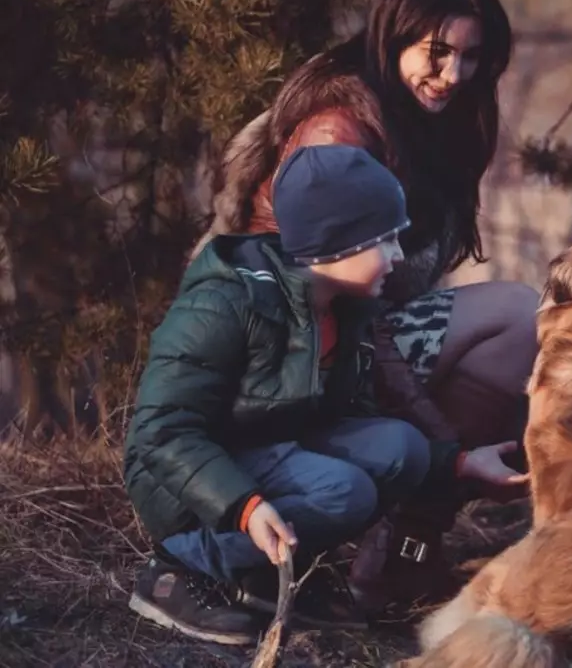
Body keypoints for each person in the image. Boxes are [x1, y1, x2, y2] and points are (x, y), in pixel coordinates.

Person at [190, 0, 538, 607]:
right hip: (286, 359)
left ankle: (403, 553)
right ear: (393, 33)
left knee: (525, 327)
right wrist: (446, 455)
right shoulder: (337, 131)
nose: (452, 74)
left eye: (469, 57)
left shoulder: (427, 119)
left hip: (351, 339)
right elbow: (332, 315)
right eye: (436, 51)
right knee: (519, 317)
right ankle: (394, 538)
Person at [124, 145, 527, 646]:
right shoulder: (225, 304)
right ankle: (177, 570)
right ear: (333, 246)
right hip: (185, 487)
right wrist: (244, 507)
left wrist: (460, 463)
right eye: (385, 241)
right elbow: (160, 432)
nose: (399, 255)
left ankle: (266, 578)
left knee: (403, 449)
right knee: (344, 490)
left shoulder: (341, 308)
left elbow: (357, 419)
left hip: (268, 454)